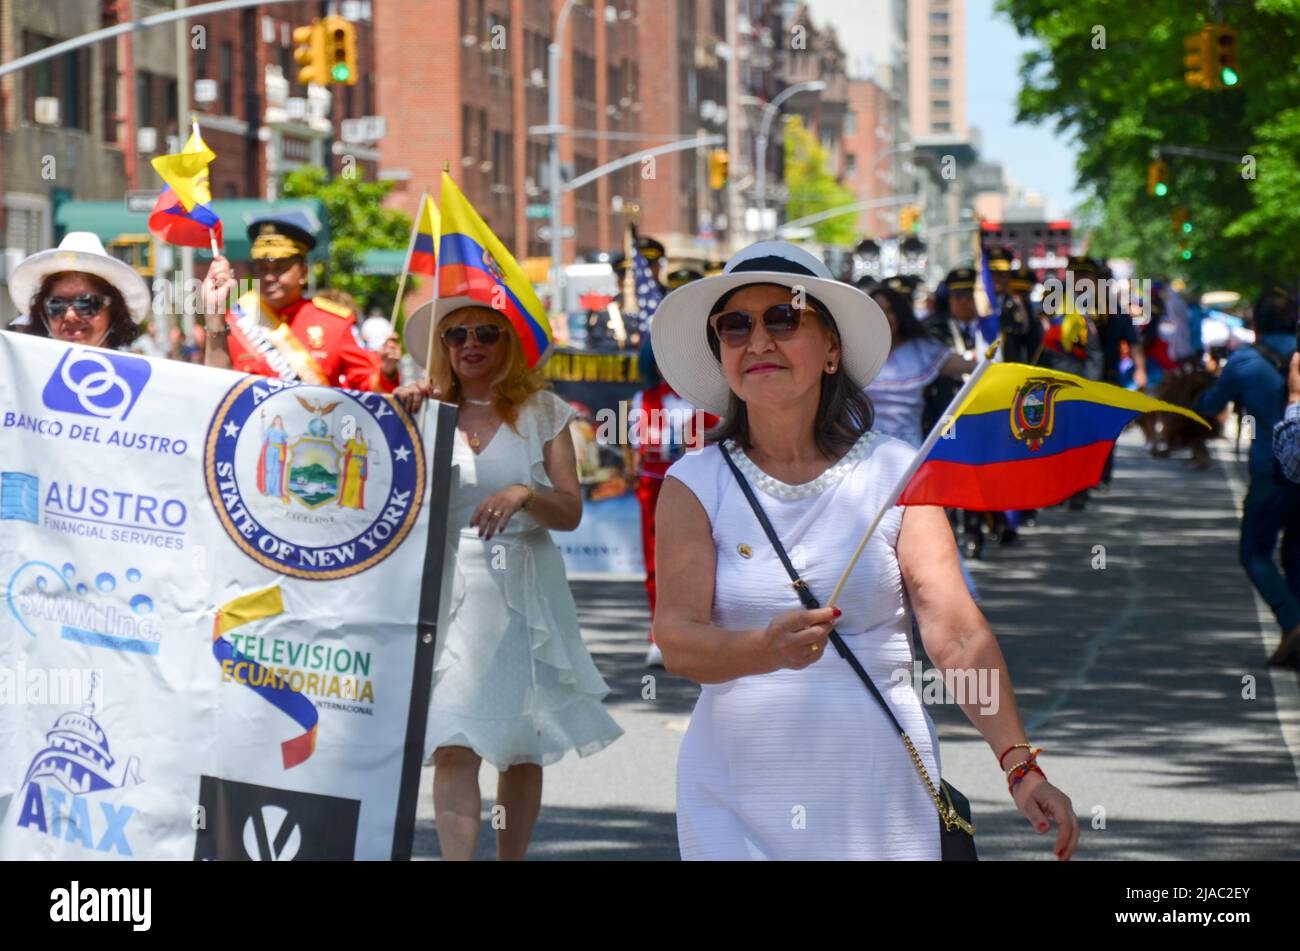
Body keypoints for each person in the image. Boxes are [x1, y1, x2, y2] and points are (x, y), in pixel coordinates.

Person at [650, 240, 1078, 861]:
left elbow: (956, 633)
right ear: (721, 353)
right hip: (735, 796)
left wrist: (1021, 767)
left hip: (879, 792)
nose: (759, 341)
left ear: (831, 350)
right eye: (735, 325)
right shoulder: (694, 482)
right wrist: (763, 648)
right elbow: (679, 639)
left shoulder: (897, 472)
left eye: (784, 318)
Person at [398, 295, 623, 860]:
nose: (470, 344)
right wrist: (399, 418)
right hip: (444, 586)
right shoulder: (422, 410)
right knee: (453, 742)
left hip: (524, 587)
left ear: (509, 344)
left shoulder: (542, 412)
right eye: (456, 336)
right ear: (441, 349)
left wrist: (525, 493)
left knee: (521, 745)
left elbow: (569, 512)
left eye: (486, 333)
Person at [1197, 286, 1300, 669]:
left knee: (1254, 552)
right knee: (1295, 554)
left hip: (1269, 472)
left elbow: (1208, 405)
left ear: (1255, 323)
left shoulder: (1244, 362)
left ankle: (1292, 621)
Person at [199, 213, 399, 392]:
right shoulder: (236, 321)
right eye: (261, 268)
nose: (269, 277)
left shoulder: (334, 323)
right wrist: (214, 316)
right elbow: (216, 388)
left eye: (279, 267)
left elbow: (369, 390)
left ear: (303, 272)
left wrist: (387, 372)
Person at [629, 334, 719, 667]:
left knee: (708, 562)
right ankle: (659, 634)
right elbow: (643, 445)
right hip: (656, 491)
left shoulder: (710, 400)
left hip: (703, 492)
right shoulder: (644, 399)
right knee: (657, 564)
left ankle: (706, 630)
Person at [864, 276, 973, 447]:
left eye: (890, 310)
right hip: (860, 450)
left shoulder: (923, 350)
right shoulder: (854, 350)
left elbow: (974, 367)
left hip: (907, 448)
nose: (884, 317)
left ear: (900, 314)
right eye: (878, 310)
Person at [6, 231, 151, 351]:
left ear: (114, 311)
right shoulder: (24, 379)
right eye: (55, 305)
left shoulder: (138, 381)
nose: (70, 315)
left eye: (86, 303)